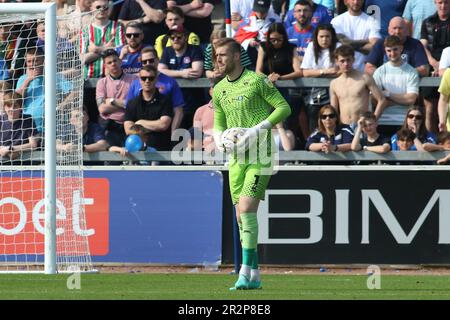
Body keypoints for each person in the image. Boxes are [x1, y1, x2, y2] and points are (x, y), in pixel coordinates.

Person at [212, 38, 291, 290]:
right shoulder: (220, 89)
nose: (219, 59)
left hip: (261, 154)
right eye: (216, 55)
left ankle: (243, 273)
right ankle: (254, 274)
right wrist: (220, 141)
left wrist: (256, 131)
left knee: (246, 208)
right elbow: (218, 124)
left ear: (237, 56)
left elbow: (283, 107)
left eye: (224, 55)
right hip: (236, 159)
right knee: (240, 215)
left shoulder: (258, 81)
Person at [126, 46, 185, 133]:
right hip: (139, 136)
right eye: (144, 61)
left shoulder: (170, 82)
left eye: (151, 60)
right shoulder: (135, 83)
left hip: (162, 132)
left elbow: (178, 111)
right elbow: (129, 109)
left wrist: (174, 134)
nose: (148, 63)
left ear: (158, 60)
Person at [372, 35, 420, 133]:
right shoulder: (379, 71)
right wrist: (401, 99)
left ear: (401, 49)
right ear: (385, 50)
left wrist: (388, 95)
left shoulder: (411, 72)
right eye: (389, 50)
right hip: (382, 121)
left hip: (404, 122)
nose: (392, 53)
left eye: (395, 49)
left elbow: (411, 99)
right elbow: (374, 99)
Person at [329, 45, 385, 129]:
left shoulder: (365, 78)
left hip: (362, 126)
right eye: (342, 61)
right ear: (336, 61)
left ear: (353, 60)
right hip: (343, 126)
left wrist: (373, 121)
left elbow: (381, 100)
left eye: (348, 60)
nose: (346, 64)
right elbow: (333, 110)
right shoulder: (334, 83)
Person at [125, 65, 173, 151]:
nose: (147, 81)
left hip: (161, 152)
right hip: (138, 152)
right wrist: (154, 125)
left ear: (156, 79)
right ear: (139, 80)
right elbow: (128, 129)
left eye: (151, 78)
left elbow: (163, 125)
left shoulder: (165, 101)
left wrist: (140, 123)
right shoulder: (132, 103)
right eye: (143, 78)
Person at [301, 24, 340, 132]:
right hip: (314, 94)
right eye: (321, 36)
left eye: (327, 36)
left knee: (333, 121)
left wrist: (317, 72)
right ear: (316, 37)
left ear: (332, 37)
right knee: (315, 125)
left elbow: (340, 71)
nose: (324, 39)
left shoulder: (338, 46)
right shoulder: (311, 46)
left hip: (334, 92)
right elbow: (305, 72)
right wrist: (325, 71)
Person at [96, 49, 138, 149]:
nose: (113, 64)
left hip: (129, 124)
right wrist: (125, 105)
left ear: (120, 61)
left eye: (115, 61)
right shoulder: (102, 83)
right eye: (109, 62)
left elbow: (136, 105)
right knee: (112, 160)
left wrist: (112, 101)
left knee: (133, 160)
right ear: (105, 66)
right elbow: (102, 109)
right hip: (109, 126)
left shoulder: (134, 79)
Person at [364, 16, 429, 77]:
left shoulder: (415, 44)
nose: (397, 31)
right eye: (394, 28)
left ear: (406, 30)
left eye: (400, 28)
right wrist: (385, 75)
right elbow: (368, 68)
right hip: (384, 84)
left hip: (408, 84)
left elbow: (424, 69)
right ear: (389, 30)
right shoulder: (380, 44)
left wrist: (400, 74)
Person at [331, 0, 381, 71]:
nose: (356, 2)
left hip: (362, 72)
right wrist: (367, 41)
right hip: (341, 72)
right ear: (345, 2)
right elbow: (340, 43)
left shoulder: (372, 21)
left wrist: (347, 44)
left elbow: (374, 47)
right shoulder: (336, 21)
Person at [81, 0, 125, 79]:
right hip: (89, 79)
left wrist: (96, 49)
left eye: (105, 7)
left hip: (113, 78)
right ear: (91, 8)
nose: (102, 9)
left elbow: (120, 53)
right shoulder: (85, 31)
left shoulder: (118, 27)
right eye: (98, 7)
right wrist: (106, 48)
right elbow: (83, 59)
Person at [0, 92, 40, 160]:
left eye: (15, 106)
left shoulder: (28, 119)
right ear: (5, 107)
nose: (12, 109)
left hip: (24, 159)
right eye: (9, 106)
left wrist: (12, 149)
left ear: (21, 107)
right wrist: (2, 150)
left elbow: (33, 145)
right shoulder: (1, 120)